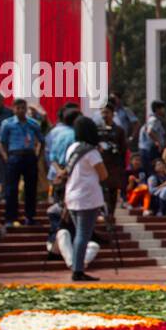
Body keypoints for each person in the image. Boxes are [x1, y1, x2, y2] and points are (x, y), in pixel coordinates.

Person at [62, 115, 107, 282]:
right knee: (83, 234)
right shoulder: (91, 151)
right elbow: (103, 175)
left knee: (79, 234)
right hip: (87, 197)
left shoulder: (72, 148)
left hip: (72, 195)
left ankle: (77, 267)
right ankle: (78, 270)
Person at [0, 97, 44, 225]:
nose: (21, 110)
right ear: (13, 109)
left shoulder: (33, 123)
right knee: (11, 188)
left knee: (31, 188)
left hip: (29, 156)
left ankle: (30, 217)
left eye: (23, 108)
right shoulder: (7, 123)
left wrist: (37, 156)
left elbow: (42, 140)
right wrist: (5, 157)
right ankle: (11, 218)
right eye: (18, 108)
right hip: (14, 156)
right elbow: (1, 142)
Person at [96, 101, 129, 220]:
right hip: (100, 165)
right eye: (103, 112)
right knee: (99, 189)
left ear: (112, 114)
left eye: (107, 112)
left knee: (113, 190)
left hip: (114, 166)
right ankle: (101, 212)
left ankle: (111, 213)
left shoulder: (119, 130)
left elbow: (123, 149)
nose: (105, 115)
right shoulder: (97, 129)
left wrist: (123, 166)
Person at [139, 100, 166, 179]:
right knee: (152, 170)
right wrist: (157, 142)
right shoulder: (154, 120)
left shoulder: (153, 120)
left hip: (149, 149)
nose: (163, 111)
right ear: (157, 109)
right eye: (162, 109)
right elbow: (150, 131)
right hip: (150, 150)